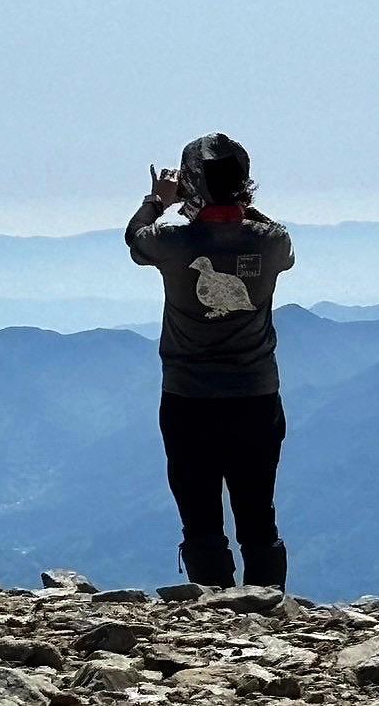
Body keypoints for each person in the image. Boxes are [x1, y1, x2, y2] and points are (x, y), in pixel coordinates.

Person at [124, 132, 295, 589]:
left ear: (190, 186)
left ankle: (212, 613)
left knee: (199, 516)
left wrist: (158, 199)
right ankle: (268, 610)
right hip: (256, 397)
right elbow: (272, 235)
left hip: (188, 399)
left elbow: (134, 237)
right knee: (258, 513)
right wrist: (238, 205)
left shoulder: (173, 244)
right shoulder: (272, 242)